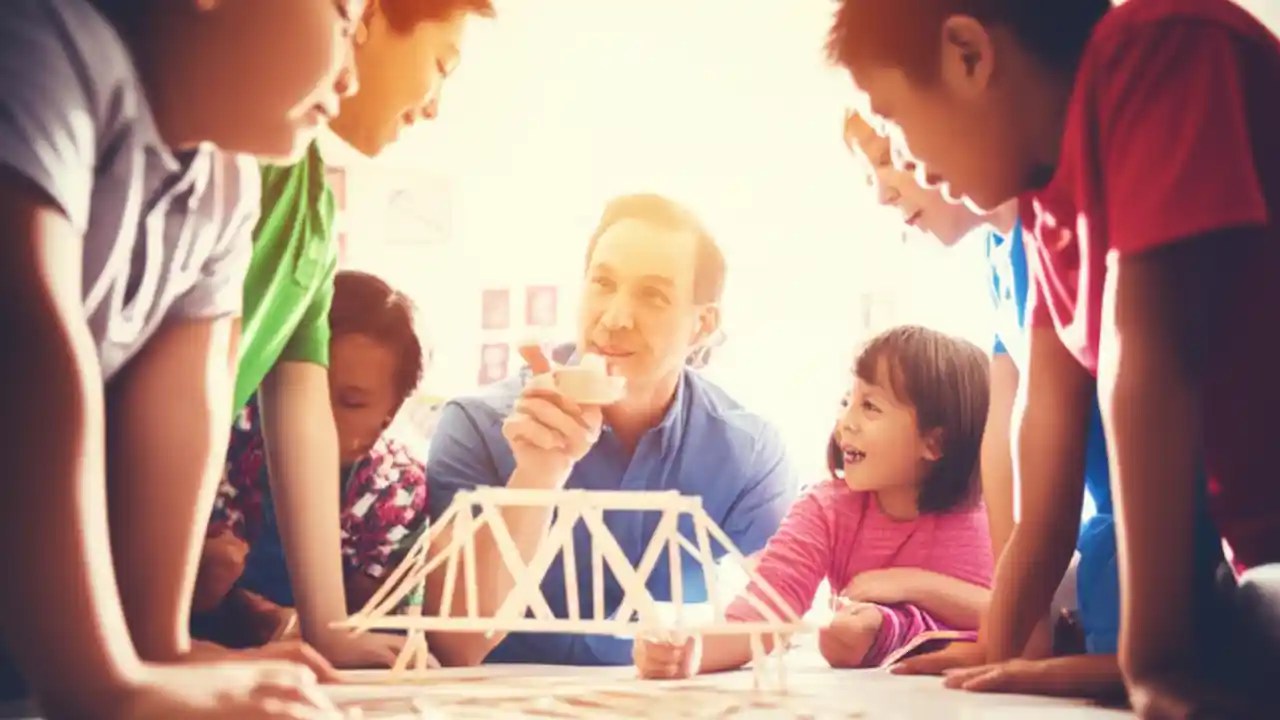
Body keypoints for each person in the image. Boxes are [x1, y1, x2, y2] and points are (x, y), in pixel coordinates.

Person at [826, 0, 1280, 715]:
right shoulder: (1042, 205)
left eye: (892, 119)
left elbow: (1150, 364)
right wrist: (1001, 646)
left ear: (968, 55)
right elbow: (1046, 429)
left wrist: (1154, 669)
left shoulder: (1166, 48)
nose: (903, 159)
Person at [0, 1, 359, 717]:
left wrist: (156, 650)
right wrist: (104, 682)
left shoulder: (228, 184)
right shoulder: (38, 44)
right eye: (344, 16)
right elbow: (28, 351)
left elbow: (181, 411)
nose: (350, 76)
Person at [227, 0, 494, 669]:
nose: (434, 106)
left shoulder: (311, 207)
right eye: (443, 64)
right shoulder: (222, 158)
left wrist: (327, 626)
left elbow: (297, 404)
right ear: (364, 19)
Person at [425, 193, 798, 667]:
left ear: (702, 325)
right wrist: (538, 476)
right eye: (602, 283)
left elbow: (777, 613)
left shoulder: (749, 453)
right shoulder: (476, 425)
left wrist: (691, 655)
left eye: (653, 295)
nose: (615, 318)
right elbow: (455, 645)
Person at [843, 111, 1143, 697]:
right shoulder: (997, 260)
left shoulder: (1051, 234)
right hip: (1102, 531)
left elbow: (1045, 459)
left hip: (1153, 519)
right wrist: (1012, 639)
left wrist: (1016, 649)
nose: (882, 191)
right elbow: (1003, 443)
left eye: (887, 158)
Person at [633, 326, 993, 679]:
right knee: (845, 634)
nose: (845, 422)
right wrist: (685, 650)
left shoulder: (978, 516)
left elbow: (1008, 615)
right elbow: (765, 613)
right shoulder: (825, 508)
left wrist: (910, 584)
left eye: (869, 406)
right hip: (882, 687)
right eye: (845, 402)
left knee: (852, 635)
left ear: (935, 444)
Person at [194, 271, 431, 647]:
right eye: (297, 391)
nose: (313, 413)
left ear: (389, 416)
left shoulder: (396, 492)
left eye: (351, 402)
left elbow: (381, 624)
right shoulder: (214, 445)